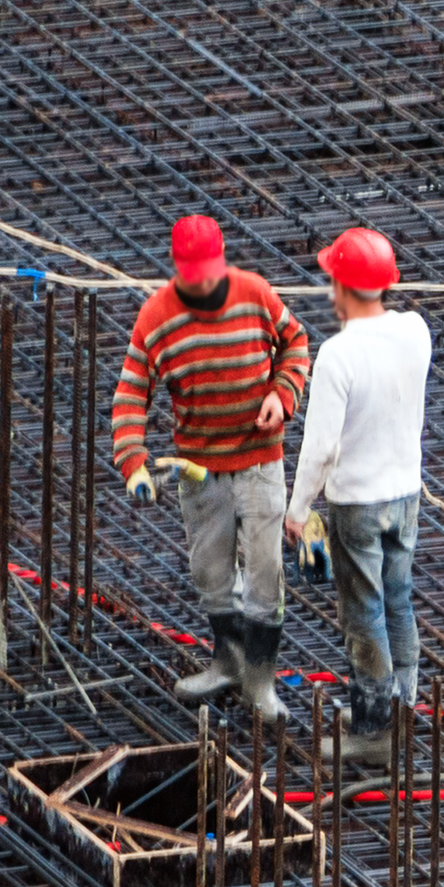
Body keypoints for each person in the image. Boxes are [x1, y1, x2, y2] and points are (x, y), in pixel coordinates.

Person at [112, 213, 309, 717]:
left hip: (260, 460)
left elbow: (296, 345)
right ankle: (228, 662)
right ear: (177, 267)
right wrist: (133, 461)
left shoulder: (255, 293)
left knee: (265, 573)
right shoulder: (157, 317)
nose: (203, 281)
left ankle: (260, 683)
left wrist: (281, 397)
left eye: (210, 269)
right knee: (211, 570)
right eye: (192, 272)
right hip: (199, 467)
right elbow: (132, 392)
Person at [285, 228, 432, 770]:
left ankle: (374, 730)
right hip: (406, 496)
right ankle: (403, 711)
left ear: (344, 285)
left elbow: (321, 448)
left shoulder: (338, 355)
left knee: (363, 611)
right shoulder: (416, 331)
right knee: (399, 598)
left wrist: (297, 511)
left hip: (359, 505)